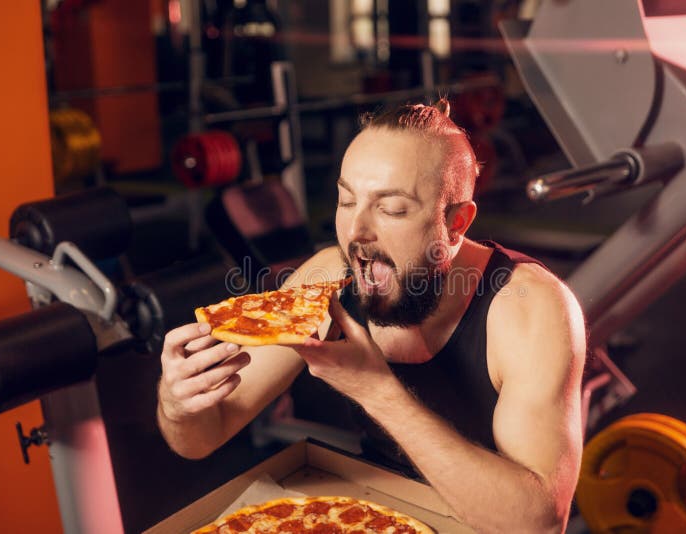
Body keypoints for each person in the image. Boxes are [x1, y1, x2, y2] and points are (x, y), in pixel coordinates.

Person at [157, 99, 586, 533]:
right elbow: (203, 436)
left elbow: (538, 523)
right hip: (370, 508)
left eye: (391, 208)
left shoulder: (531, 308)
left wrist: (378, 392)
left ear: (456, 225)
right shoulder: (327, 278)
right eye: (347, 201)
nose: (356, 232)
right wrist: (179, 405)